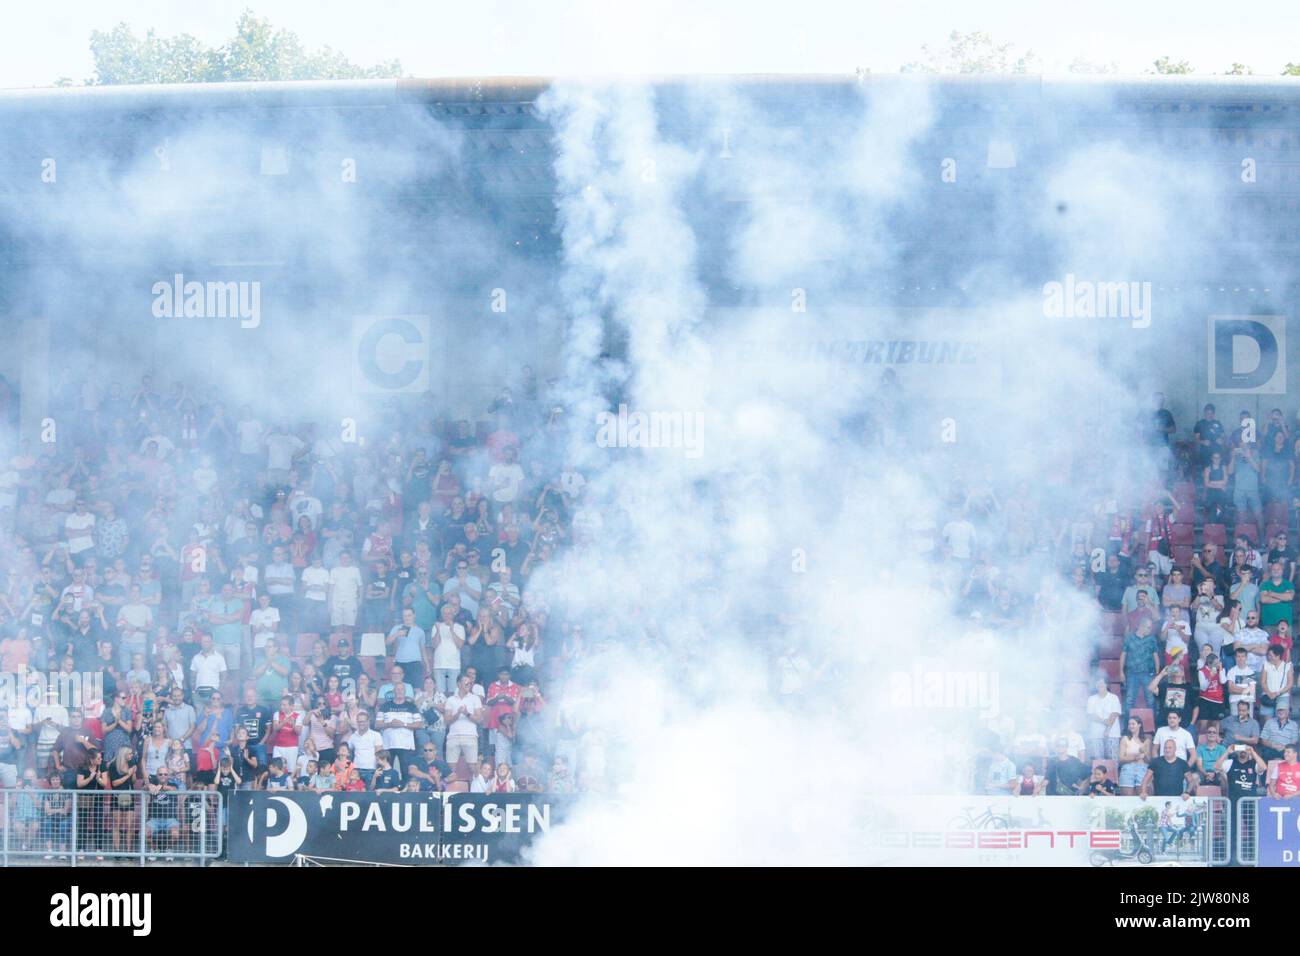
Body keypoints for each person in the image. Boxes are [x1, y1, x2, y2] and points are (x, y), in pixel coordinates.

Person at [1085, 676, 1122, 760]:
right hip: (1096, 734)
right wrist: (1104, 721)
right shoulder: (1091, 699)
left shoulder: (1113, 698)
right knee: (1098, 761)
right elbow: (1091, 715)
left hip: (1112, 733)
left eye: (1102, 683)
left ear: (1106, 685)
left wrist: (1108, 729)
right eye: (1098, 683)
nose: (1100, 685)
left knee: (1113, 760)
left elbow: (1114, 714)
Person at [1117, 717, 1149, 796]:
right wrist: (1134, 758)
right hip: (1127, 768)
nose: (1131, 726)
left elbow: (1149, 760)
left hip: (1142, 768)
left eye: (1133, 724)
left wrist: (1144, 753)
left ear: (1139, 725)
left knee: (1142, 798)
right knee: (1127, 799)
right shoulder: (1125, 739)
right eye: (1129, 724)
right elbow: (1121, 759)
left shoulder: (1146, 740)